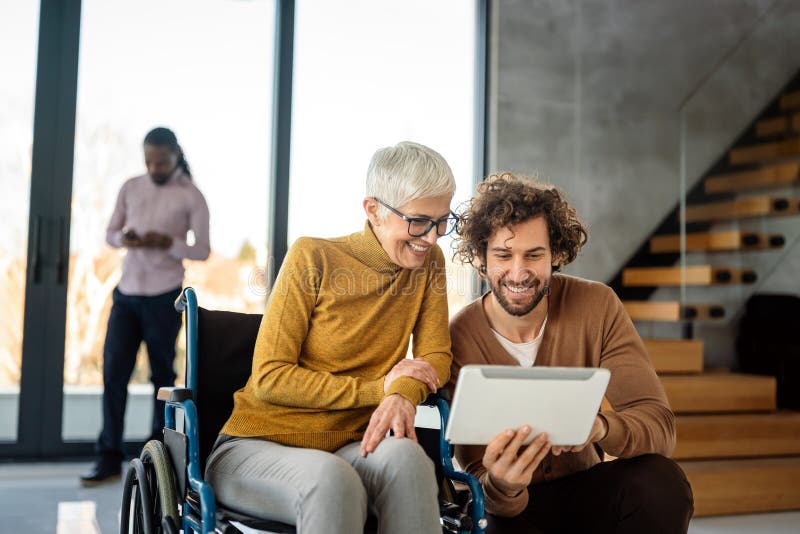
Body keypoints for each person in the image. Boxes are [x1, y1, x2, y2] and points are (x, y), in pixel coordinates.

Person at [204, 141, 456, 533]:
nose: (432, 238)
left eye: (442, 221)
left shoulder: (428, 266)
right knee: (332, 480)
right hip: (257, 444)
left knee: (409, 461)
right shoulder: (313, 257)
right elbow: (270, 377)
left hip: (351, 445)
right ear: (373, 210)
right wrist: (378, 390)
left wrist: (401, 393)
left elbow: (435, 355)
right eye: (419, 221)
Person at [447, 173, 694, 533]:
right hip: (510, 512)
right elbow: (476, 477)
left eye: (534, 255)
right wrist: (505, 484)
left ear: (556, 254)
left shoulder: (597, 305)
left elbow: (659, 424)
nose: (518, 272)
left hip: (586, 491)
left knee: (661, 481)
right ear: (481, 258)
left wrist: (599, 428)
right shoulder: (460, 336)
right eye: (503, 255)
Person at [80, 127, 210, 486]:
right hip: (126, 293)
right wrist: (125, 238)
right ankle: (108, 458)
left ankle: (158, 462)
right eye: (149, 161)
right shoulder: (131, 187)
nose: (154, 168)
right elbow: (110, 235)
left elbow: (202, 250)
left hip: (164, 297)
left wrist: (166, 243)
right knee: (113, 375)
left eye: (161, 162)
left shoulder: (192, 196)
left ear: (175, 156)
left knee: (161, 379)